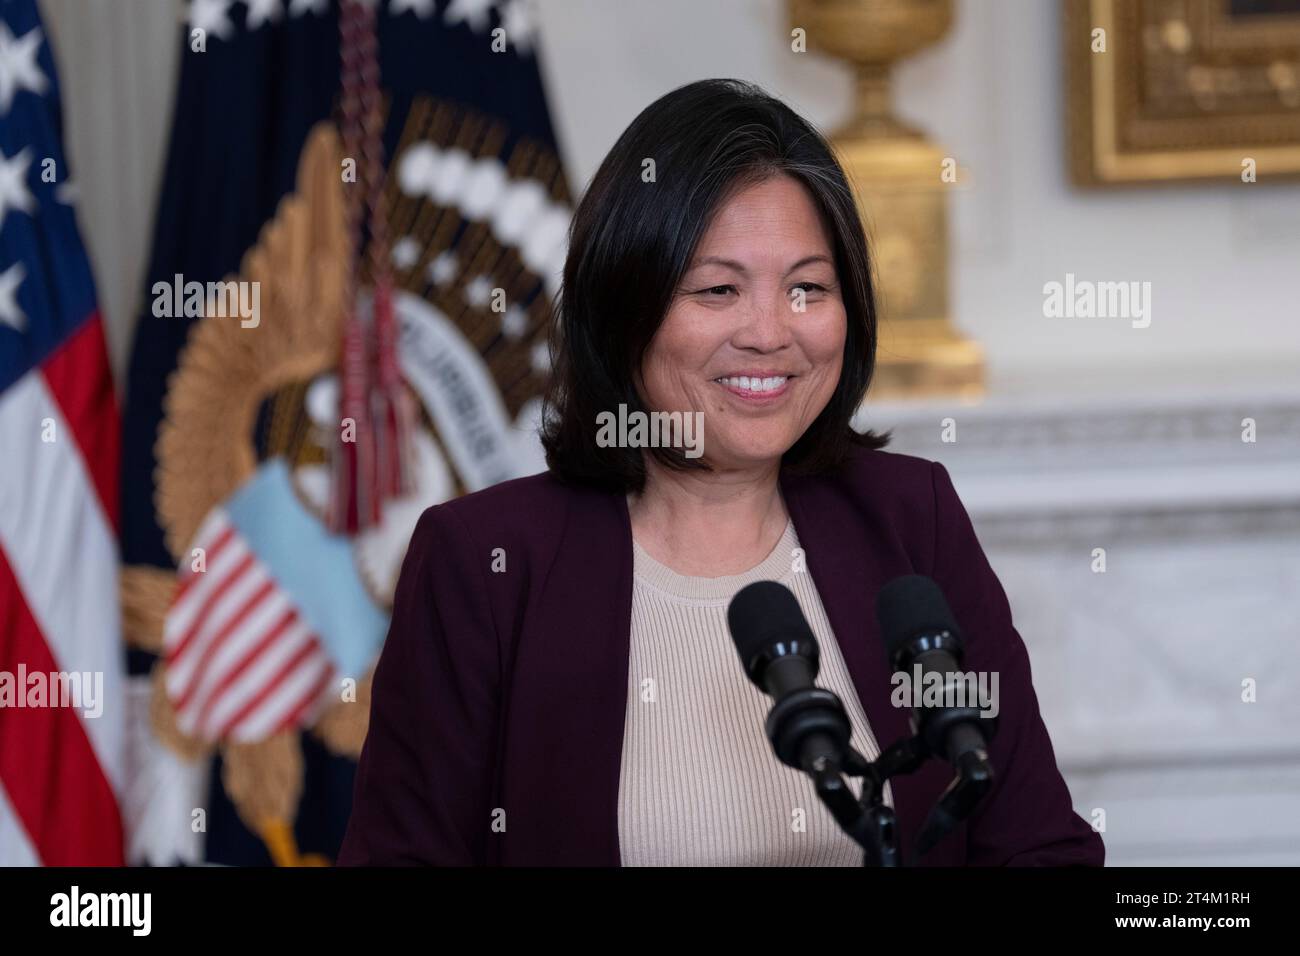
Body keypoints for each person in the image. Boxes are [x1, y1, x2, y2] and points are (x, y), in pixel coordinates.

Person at [337, 78, 1104, 867]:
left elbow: (1039, 848)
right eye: (718, 290)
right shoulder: (485, 562)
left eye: (808, 288)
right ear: (624, 307)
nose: (769, 333)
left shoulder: (911, 520)